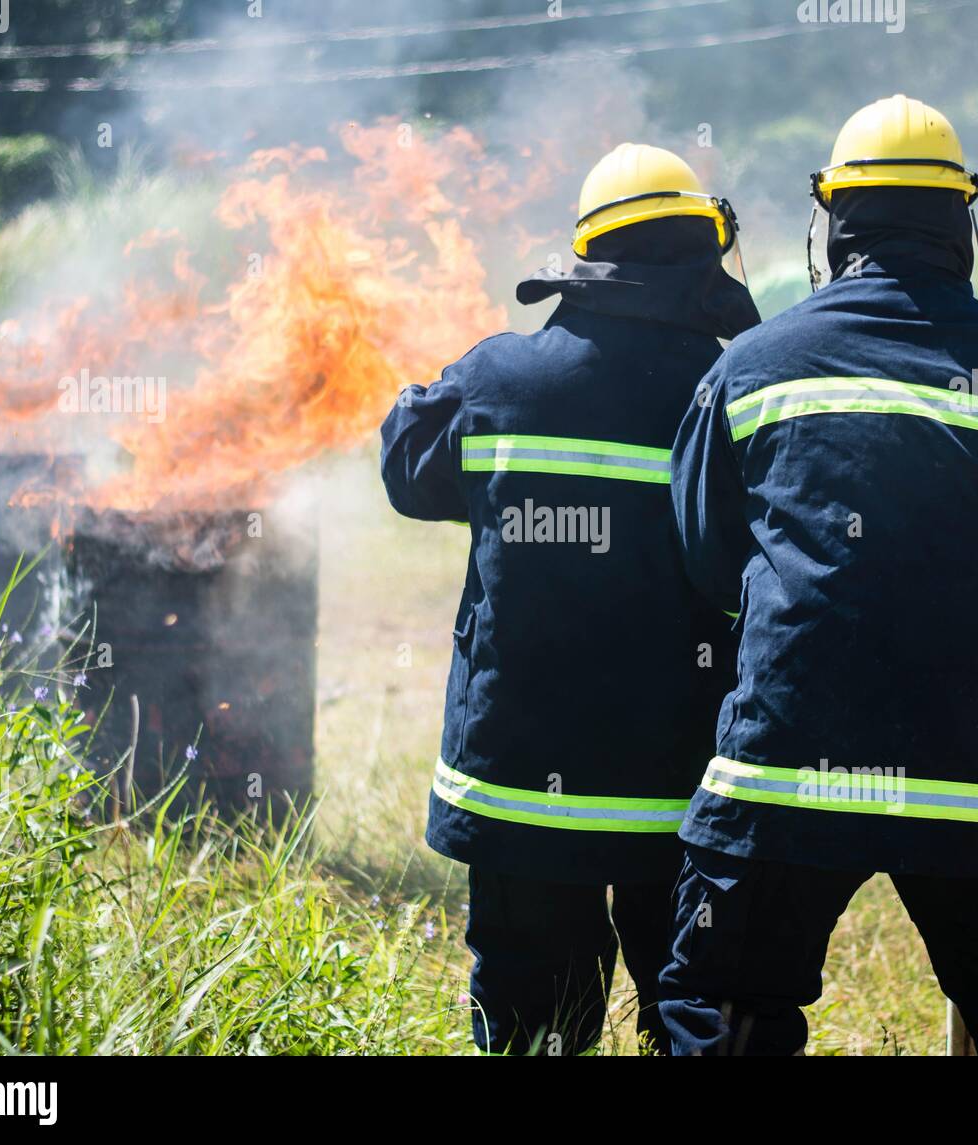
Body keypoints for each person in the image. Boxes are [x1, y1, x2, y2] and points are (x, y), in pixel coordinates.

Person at [660, 95, 978, 1057]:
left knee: (725, 1008)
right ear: (963, 223)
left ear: (831, 219)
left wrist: (794, 624)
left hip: (785, 771)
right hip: (975, 780)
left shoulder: (748, 369)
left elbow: (704, 554)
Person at [380, 143, 759, 1055]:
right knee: (695, 1014)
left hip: (521, 797)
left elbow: (407, 471)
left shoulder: (499, 379)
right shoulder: (736, 387)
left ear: (585, 260)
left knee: (532, 1029)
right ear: (703, 250)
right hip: (679, 791)